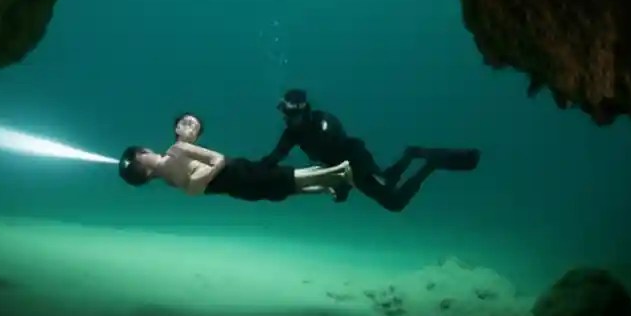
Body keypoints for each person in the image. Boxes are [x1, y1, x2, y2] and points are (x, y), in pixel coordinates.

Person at [260, 89, 480, 211]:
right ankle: (411, 154)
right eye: (287, 117)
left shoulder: (324, 123)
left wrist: (342, 184)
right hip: (342, 169)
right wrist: (257, 171)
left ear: (305, 112)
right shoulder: (292, 133)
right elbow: (276, 155)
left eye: (293, 117)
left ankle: (429, 164)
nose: (289, 122)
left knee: (394, 201)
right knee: (388, 185)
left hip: (356, 160)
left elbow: (338, 153)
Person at [118, 112, 353, 201]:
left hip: (235, 172)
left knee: (283, 178)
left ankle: (338, 172)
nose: (142, 154)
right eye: (139, 157)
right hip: (231, 187)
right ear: (146, 173)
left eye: (139, 153)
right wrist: (197, 181)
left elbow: (217, 160)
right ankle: (330, 184)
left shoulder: (176, 151)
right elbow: (195, 187)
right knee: (279, 188)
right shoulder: (169, 176)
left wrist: (200, 179)